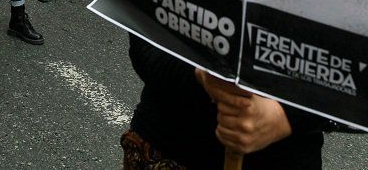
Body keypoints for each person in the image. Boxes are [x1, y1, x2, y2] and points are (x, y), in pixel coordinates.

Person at [124, 36, 334, 168]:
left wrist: (287, 116)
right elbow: (144, 41)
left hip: (285, 158)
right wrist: (198, 74)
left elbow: (363, 87)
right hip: (167, 145)